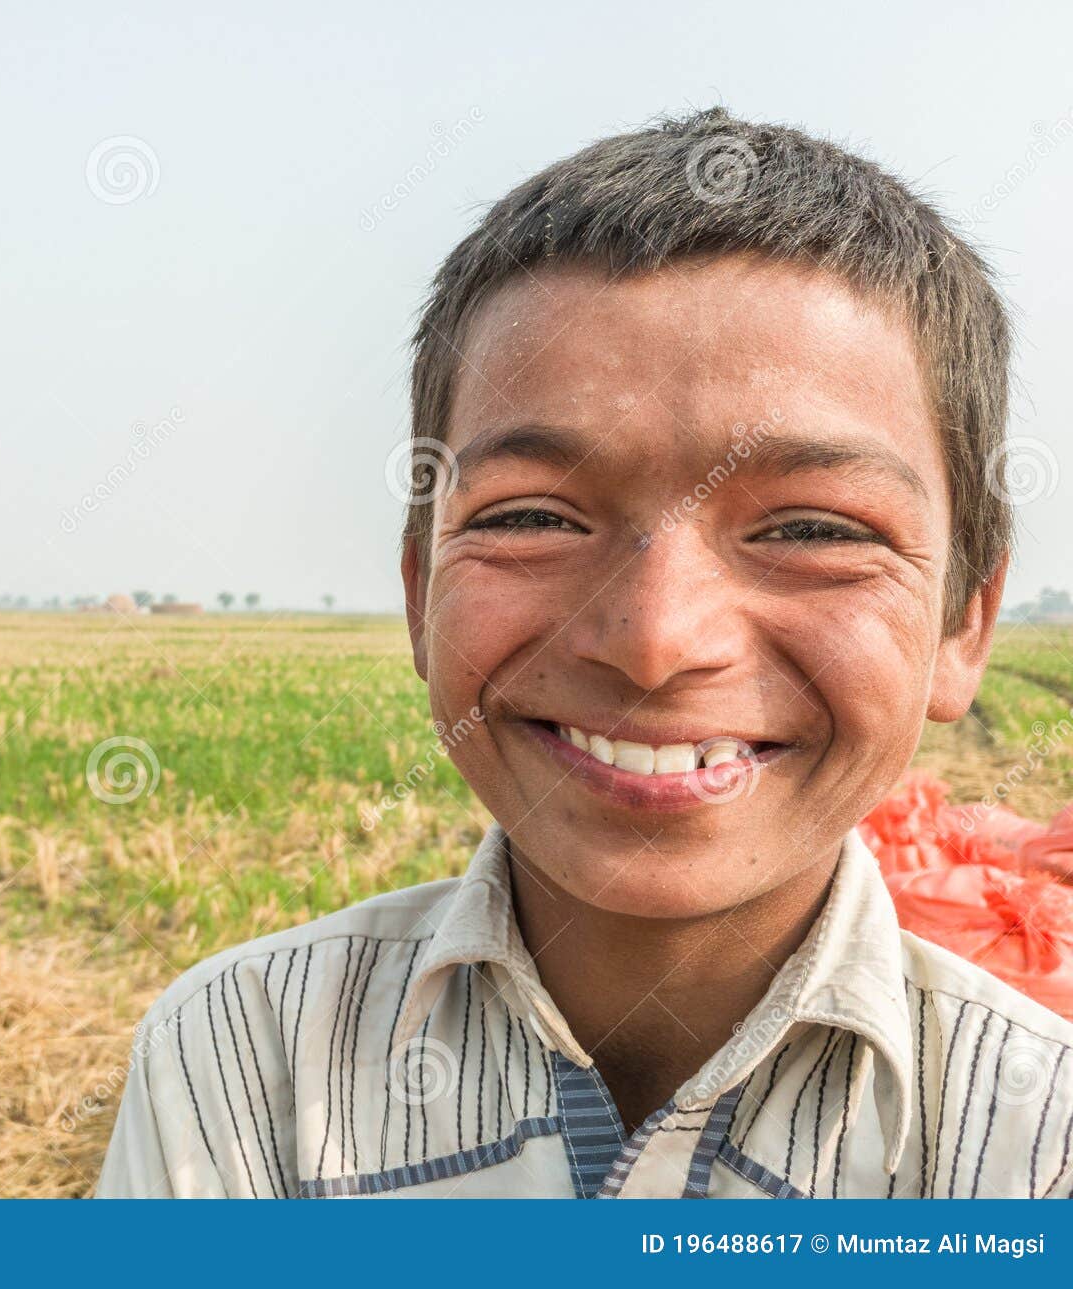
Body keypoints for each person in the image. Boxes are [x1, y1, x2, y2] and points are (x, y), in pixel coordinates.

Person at [95, 107, 1073, 1198]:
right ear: (421, 593)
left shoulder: (1035, 1141)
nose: (655, 639)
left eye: (811, 529)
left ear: (960, 623)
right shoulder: (244, 1061)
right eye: (536, 517)